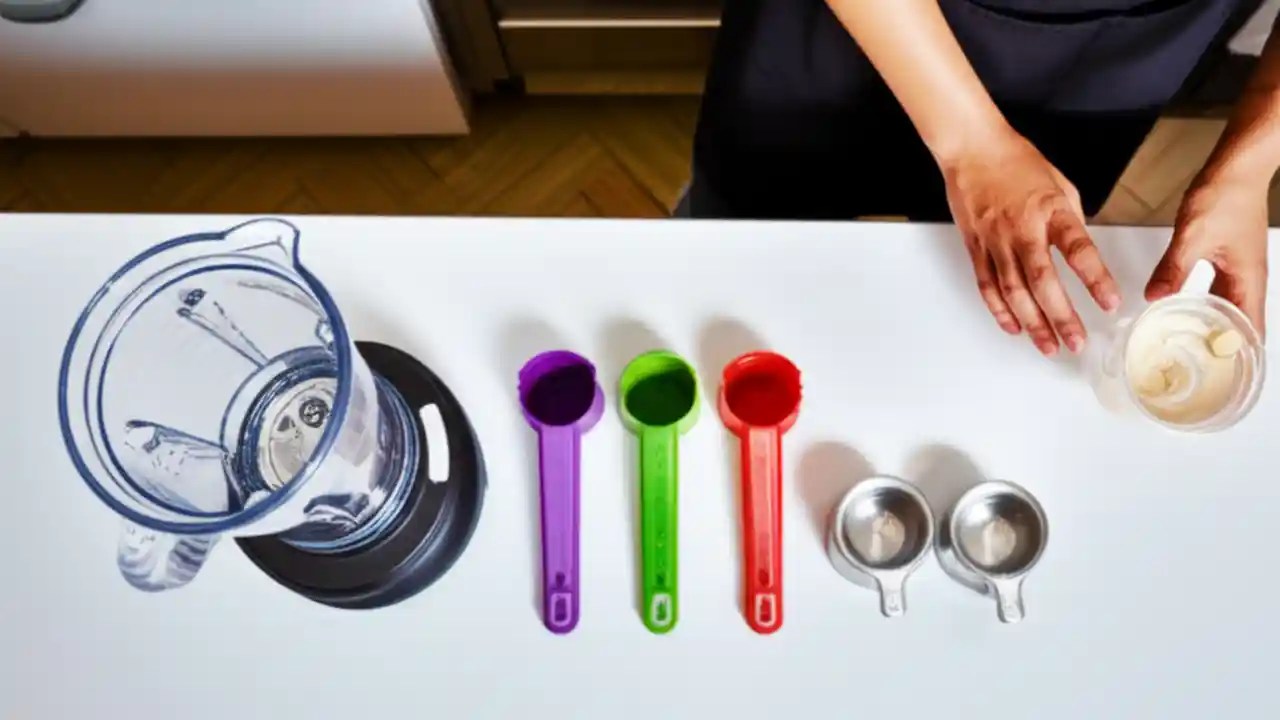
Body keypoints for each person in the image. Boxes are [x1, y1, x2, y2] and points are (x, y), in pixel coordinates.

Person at [688, 0, 1275, 356]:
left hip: (1114, 46)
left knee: (982, 296)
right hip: (845, 24)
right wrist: (971, 144)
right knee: (740, 246)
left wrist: (1250, 166)